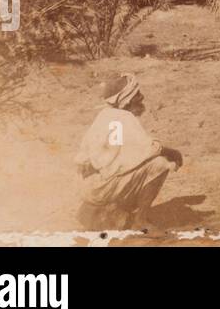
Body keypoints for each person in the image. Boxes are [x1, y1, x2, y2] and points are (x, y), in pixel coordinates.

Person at [75, 74, 182, 230]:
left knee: (134, 165)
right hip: (100, 187)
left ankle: (111, 211)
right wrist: (173, 153)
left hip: (89, 186)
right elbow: (149, 149)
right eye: (137, 94)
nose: (141, 97)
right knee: (159, 164)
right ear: (127, 98)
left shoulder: (106, 115)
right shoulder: (123, 117)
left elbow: (113, 152)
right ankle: (140, 220)